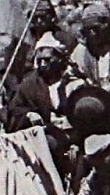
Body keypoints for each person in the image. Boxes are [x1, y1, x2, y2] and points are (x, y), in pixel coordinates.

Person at [6, 32, 79, 175]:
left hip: (73, 133)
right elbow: (14, 109)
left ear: (59, 59)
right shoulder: (30, 83)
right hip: (44, 135)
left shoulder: (72, 81)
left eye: (47, 60)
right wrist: (29, 115)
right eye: (39, 60)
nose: (43, 64)